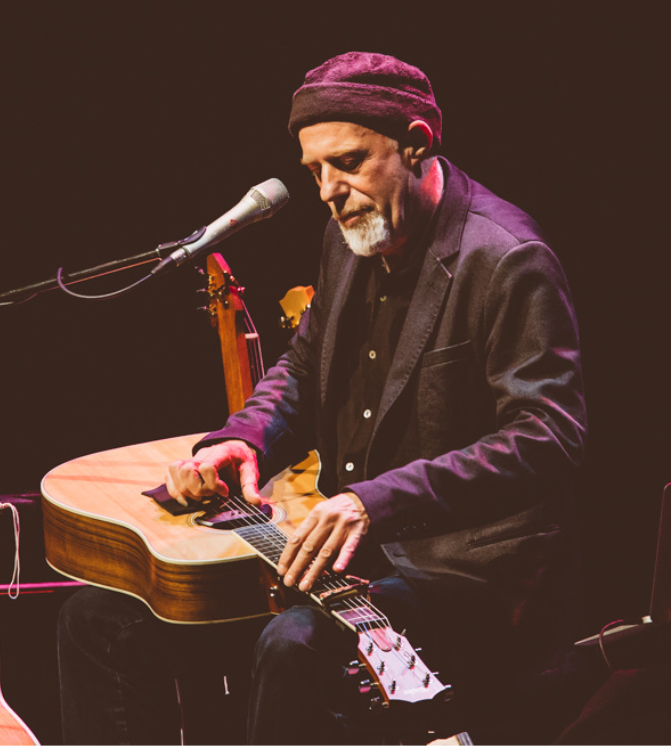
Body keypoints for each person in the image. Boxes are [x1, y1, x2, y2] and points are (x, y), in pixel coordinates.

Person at [57, 51, 588, 744]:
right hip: (349, 559)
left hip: (466, 578)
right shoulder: (350, 239)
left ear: (417, 143)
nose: (328, 191)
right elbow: (304, 367)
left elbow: (547, 437)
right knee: (101, 621)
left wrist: (375, 500)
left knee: (295, 648)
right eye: (314, 171)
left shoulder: (507, 258)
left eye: (347, 162)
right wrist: (242, 439)